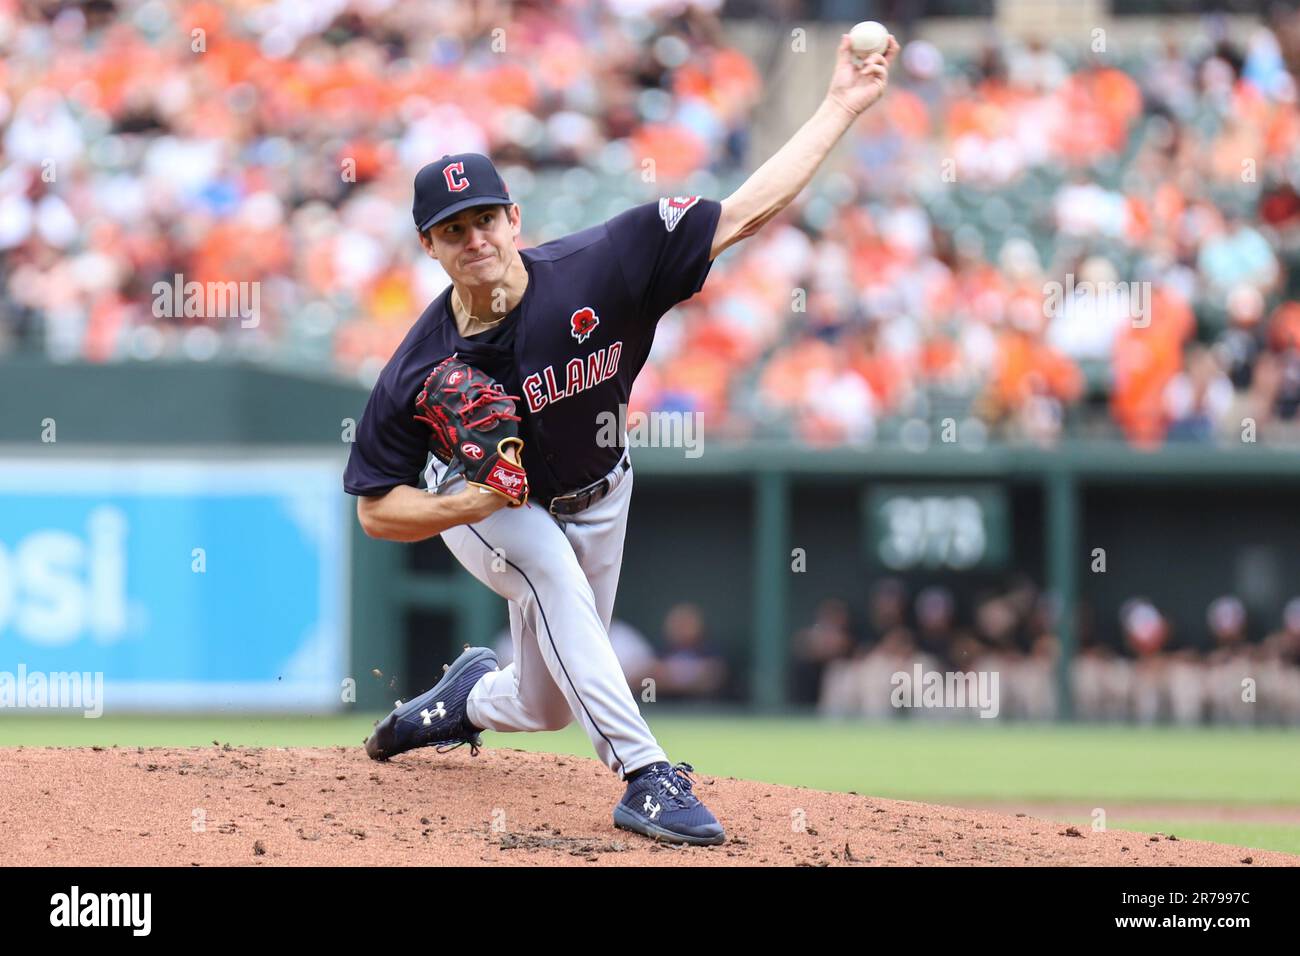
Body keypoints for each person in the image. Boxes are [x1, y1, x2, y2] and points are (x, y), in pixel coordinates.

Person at [343, 32, 901, 846]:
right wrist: (463, 501)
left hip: (605, 487)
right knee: (549, 571)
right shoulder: (417, 366)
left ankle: (461, 700)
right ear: (428, 245)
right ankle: (646, 776)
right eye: (453, 230)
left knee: (543, 703)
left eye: (486, 219)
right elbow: (373, 510)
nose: (476, 241)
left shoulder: (608, 263)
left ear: (513, 218)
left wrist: (839, 106)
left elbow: (746, 210)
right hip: (492, 504)